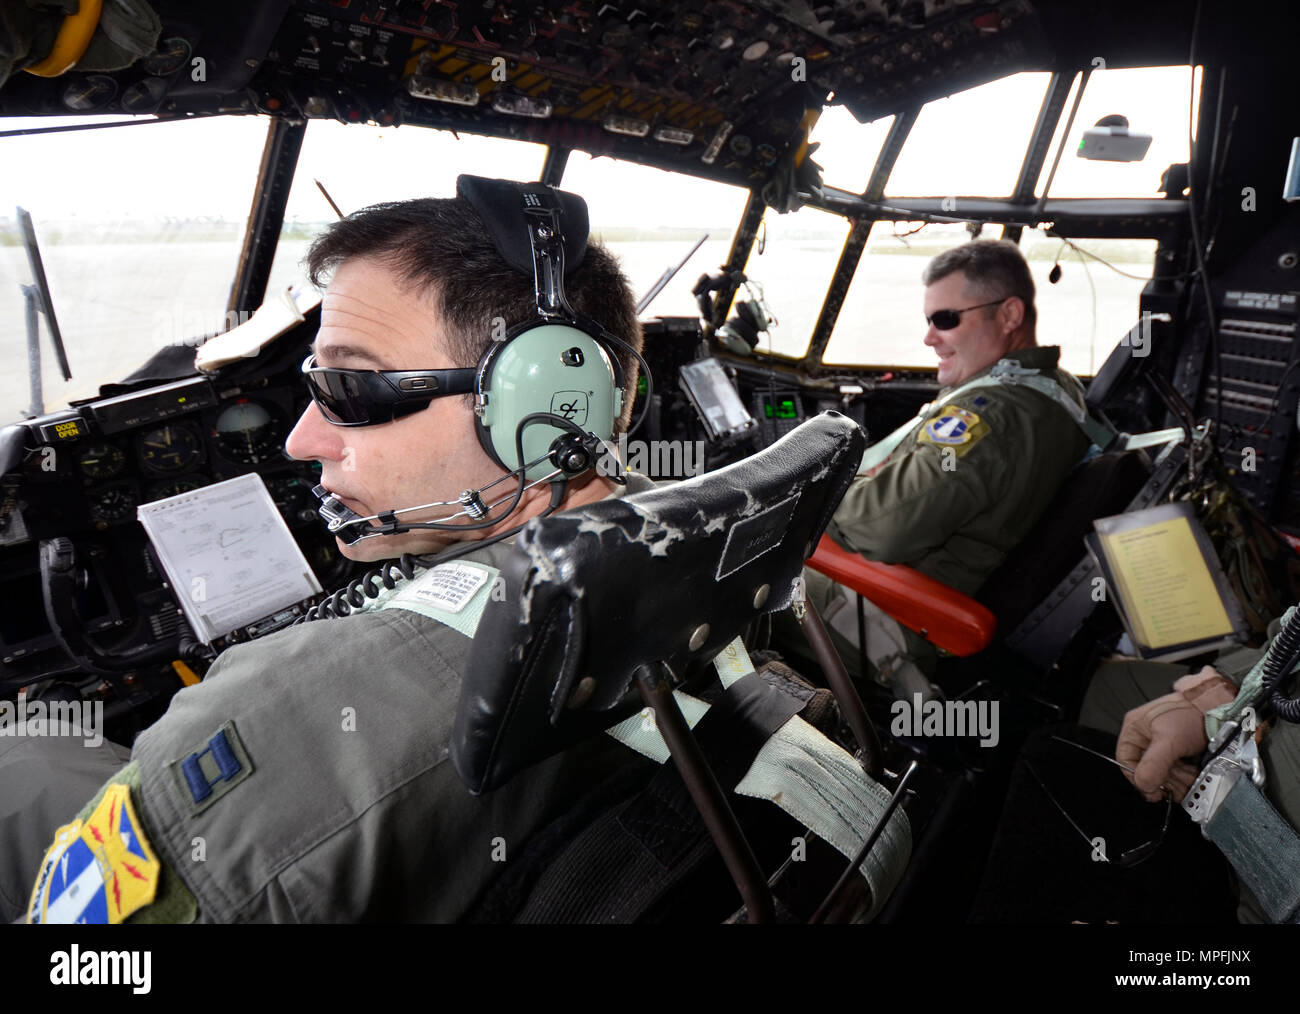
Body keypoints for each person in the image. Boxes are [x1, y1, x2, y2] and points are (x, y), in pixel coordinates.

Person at [0, 179, 652, 923]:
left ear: (541, 411)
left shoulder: (287, 708)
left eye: (348, 385)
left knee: (18, 756)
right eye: (313, 384)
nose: (299, 440)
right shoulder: (731, 548)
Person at [808, 239, 1094, 687]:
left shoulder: (989, 417)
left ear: (1010, 315)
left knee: (715, 571)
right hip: (915, 599)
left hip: (888, 618)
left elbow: (877, 530)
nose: (929, 337)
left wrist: (822, 493)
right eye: (929, 320)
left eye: (946, 319)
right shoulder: (1057, 388)